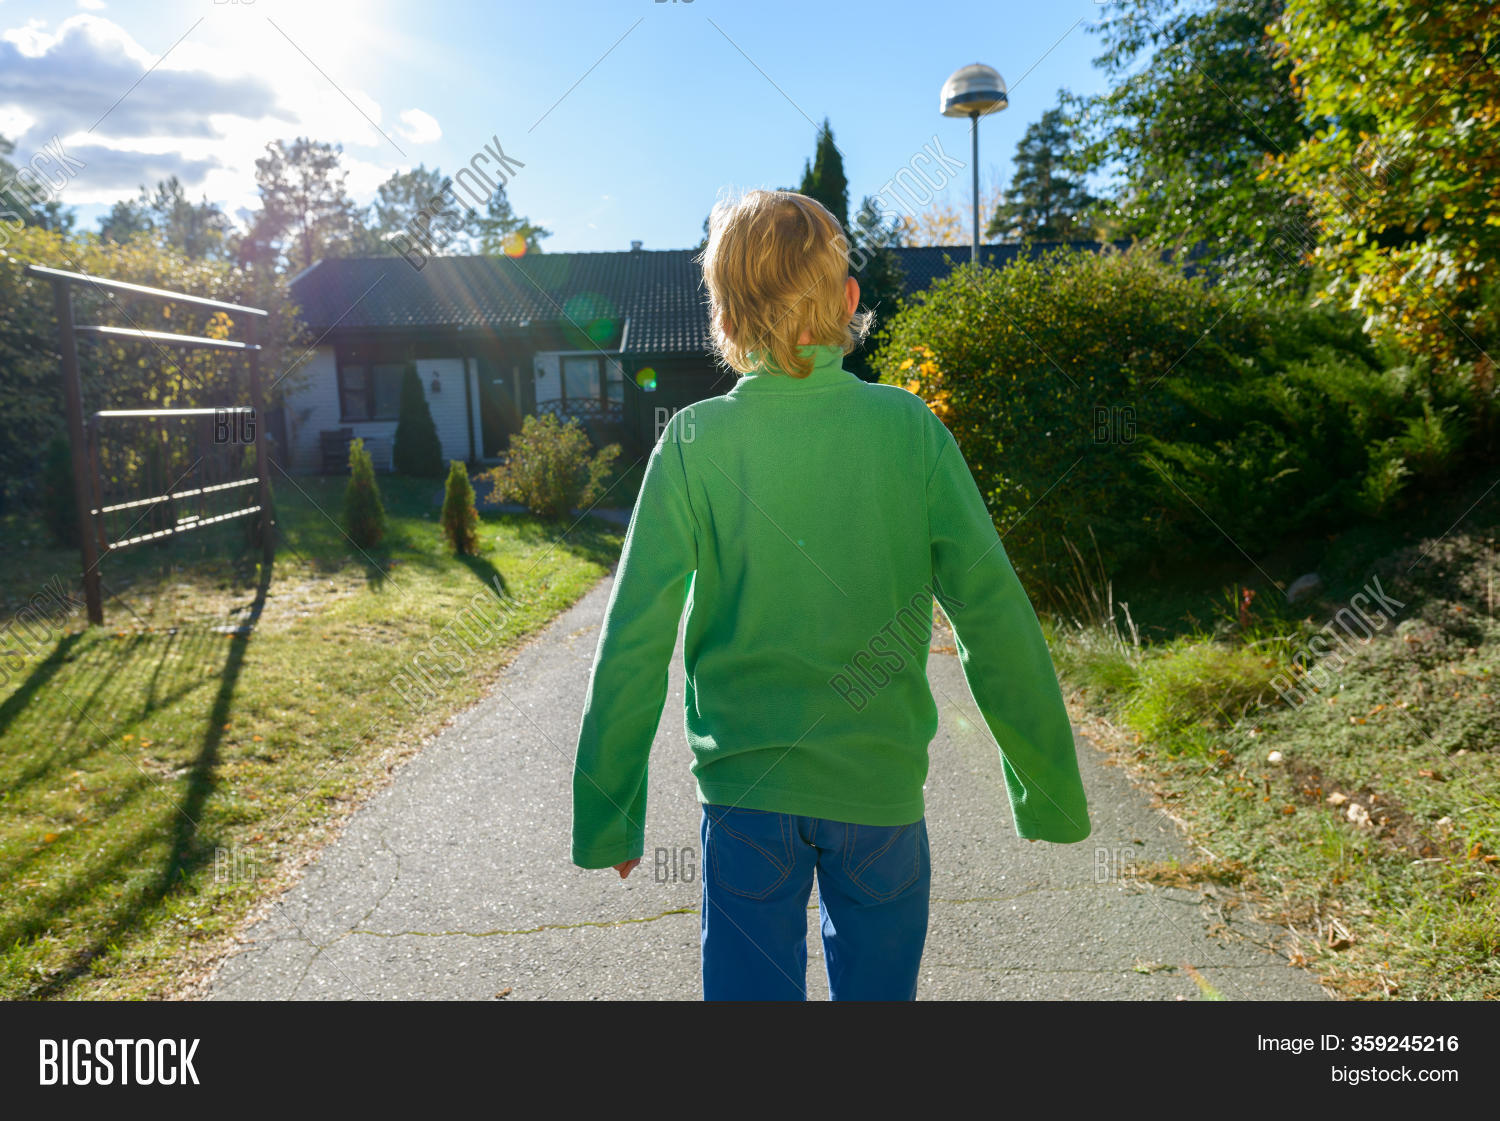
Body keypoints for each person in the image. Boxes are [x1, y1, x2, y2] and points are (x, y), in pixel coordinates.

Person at [570, 188, 1090, 1000]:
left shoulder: (693, 442)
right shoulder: (909, 429)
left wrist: (610, 810)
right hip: (878, 798)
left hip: (745, 802)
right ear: (849, 302)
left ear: (726, 322)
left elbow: (634, 636)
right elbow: (991, 608)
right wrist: (1048, 784)